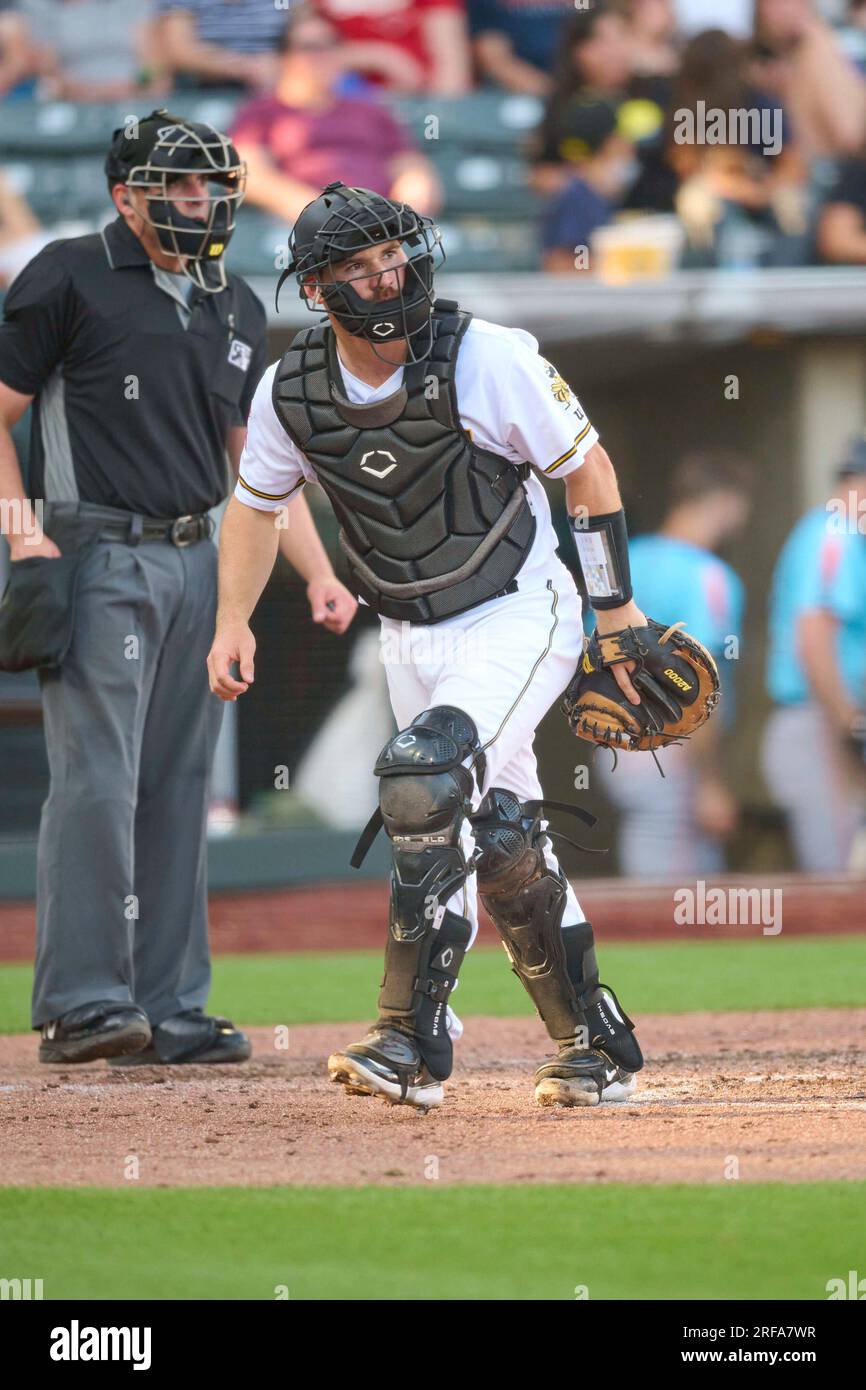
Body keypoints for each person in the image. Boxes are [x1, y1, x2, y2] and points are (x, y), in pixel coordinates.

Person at [208, 179, 652, 1113]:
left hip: (519, 607)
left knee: (425, 780)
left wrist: (613, 615)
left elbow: (591, 470)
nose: (389, 275)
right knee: (488, 830)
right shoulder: (293, 387)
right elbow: (254, 505)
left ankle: (410, 1041)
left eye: (395, 254)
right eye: (362, 267)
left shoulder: (486, 355)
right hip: (407, 631)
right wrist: (232, 620)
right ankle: (594, 1044)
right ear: (321, 288)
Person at [0, 110, 356, 1066]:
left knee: (177, 787)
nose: (202, 199)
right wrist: (24, 532)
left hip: (206, 559)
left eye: (211, 183)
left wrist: (317, 572)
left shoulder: (235, 303)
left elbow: (259, 469)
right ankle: (82, 1003)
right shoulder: (67, 273)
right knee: (97, 783)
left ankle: (169, 1007)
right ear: (128, 195)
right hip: (99, 552)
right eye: (180, 183)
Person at [590, 450, 750, 878]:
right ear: (725, 502)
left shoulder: (627, 560)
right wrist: (712, 781)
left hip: (612, 736)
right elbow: (700, 683)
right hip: (672, 744)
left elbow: (592, 656)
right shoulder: (708, 575)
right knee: (676, 892)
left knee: (662, 851)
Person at [231, 7, 440, 226]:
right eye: (309, 47)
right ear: (284, 57)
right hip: (307, 231)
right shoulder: (261, 112)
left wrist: (398, 215)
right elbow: (251, 175)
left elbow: (410, 167)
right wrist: (322, 215)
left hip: (379, 227)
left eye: (331, 45)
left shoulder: (371, 109)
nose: (323, 56)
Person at [762, 438, 866, 871]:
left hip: (825, 723)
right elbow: (813, 637)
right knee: (836, 880)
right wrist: (852, 726)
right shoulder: (834, 534)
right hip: (818, 723)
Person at [538, 98, 637, 272]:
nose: (631, 147)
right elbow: (559, 263)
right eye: (623, 138)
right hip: (576, 298)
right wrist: (620, 268)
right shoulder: (578, 197)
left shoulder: (603, 195)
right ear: (610, 144)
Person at [313, 0, 471, 96]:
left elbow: (451, 69)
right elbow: (303, 56)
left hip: (419, 107)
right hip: (344, 107)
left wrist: (437, 123)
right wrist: (379, 58)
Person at [157, 0, 287, 91]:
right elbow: (181, 51)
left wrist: (279, 63)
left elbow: (301, 32)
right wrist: (247, 68)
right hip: (205, 89)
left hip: (278, 87)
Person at [468, 0, 576, 95]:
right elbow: (491, 54)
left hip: (579, 82)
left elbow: (588, 28)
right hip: (515, 94)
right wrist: (552, 95)